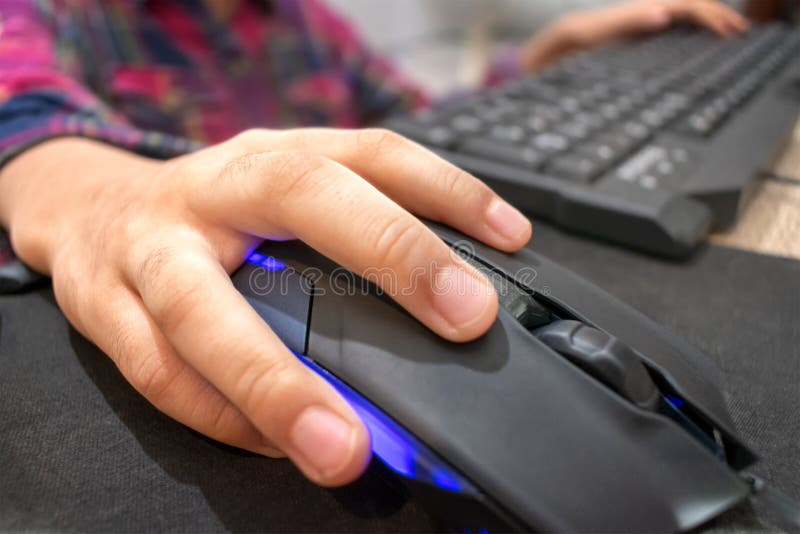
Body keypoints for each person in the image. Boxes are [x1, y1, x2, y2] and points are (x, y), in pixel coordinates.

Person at [0, 0, 748, 488]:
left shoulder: (304, 25)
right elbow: (22, 119)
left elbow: (409, 126)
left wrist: (541, 67)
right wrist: (100, 197)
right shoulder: (51, 13)